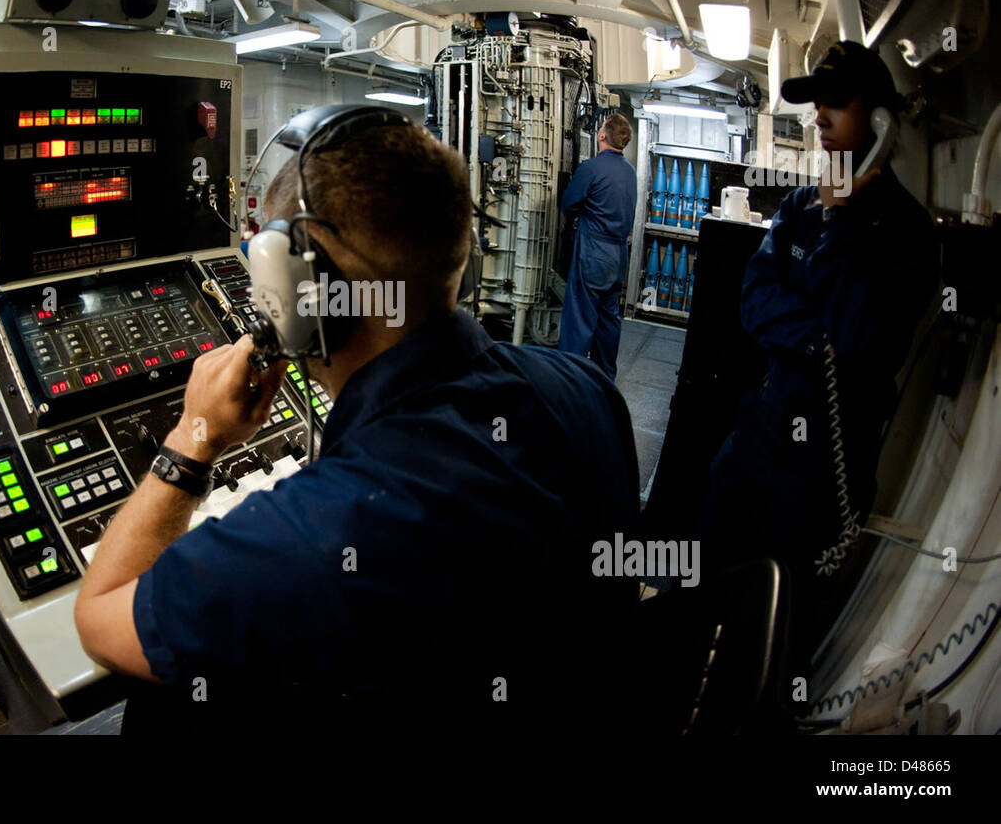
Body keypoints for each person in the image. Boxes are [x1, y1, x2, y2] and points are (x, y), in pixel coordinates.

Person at [74, 119, 640, 703]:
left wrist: (193, 441)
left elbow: (99, 621)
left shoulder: (325, 527)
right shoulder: (588, 389)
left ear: (299, 288)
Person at [698, 41, 938, 649]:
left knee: (775, 631)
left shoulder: (907, 233)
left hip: (823, 470)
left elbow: (856, 339)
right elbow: (754, 301)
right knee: (702, 586)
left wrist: (844, 222)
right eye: (816, 105)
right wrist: (816, 340)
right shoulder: (802, 205)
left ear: (879, 120)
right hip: (759, 437)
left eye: (835, 104)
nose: (819, 119)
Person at [558, 113, 638, 380]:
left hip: (594, 253)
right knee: (608, 321)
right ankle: (604, 380)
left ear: (602, 135)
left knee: (579, 319)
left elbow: (568, 204)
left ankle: (570, 379)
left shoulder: (591, 168)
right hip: (619, 257)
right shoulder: (630, 172)